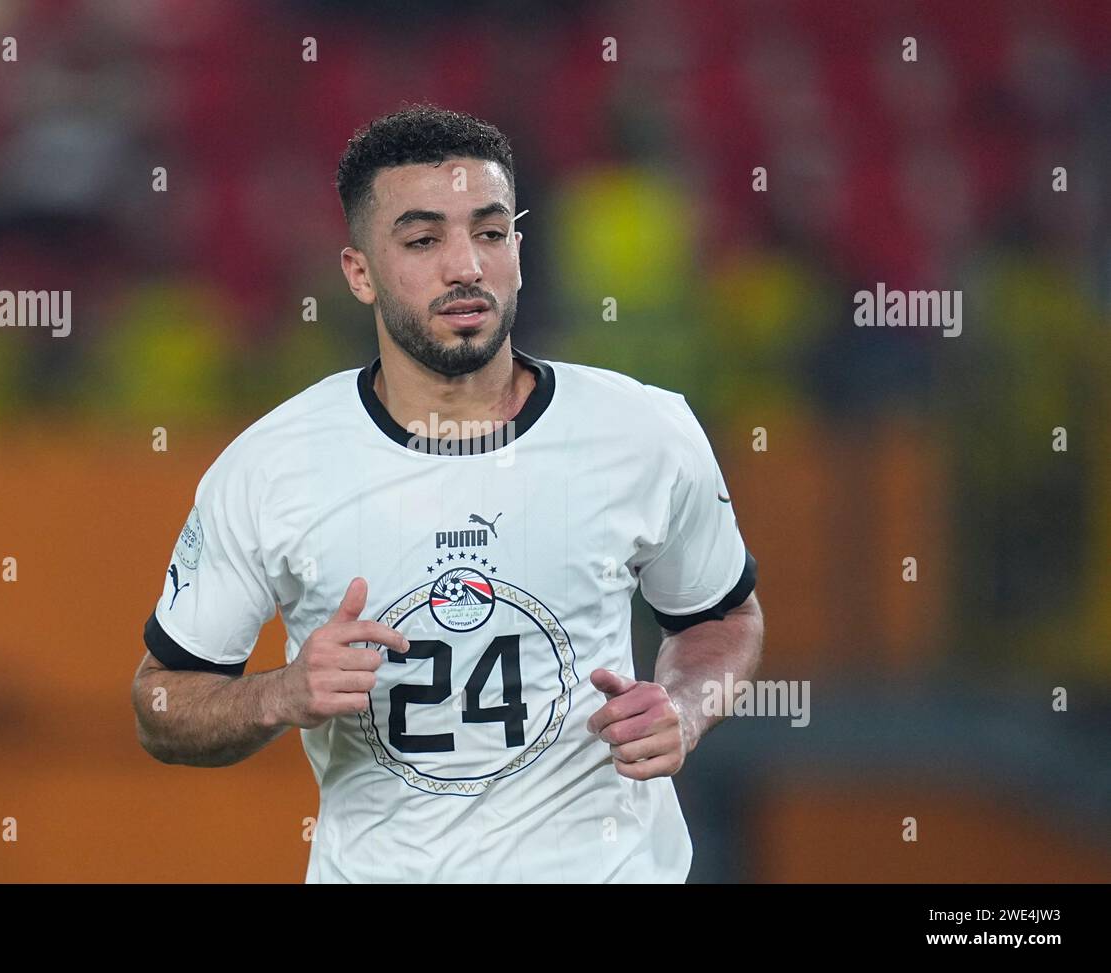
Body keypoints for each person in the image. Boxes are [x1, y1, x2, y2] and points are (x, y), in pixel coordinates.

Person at [131, 103, 764, 883]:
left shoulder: (644, 430)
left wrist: (684, 706)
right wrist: (280, 693)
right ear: (359, 272)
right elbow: (160, 702)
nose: (465, 265)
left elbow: (721, 616)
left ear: (519, 252)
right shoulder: (270, 466)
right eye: (424, 239)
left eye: (490, 232)